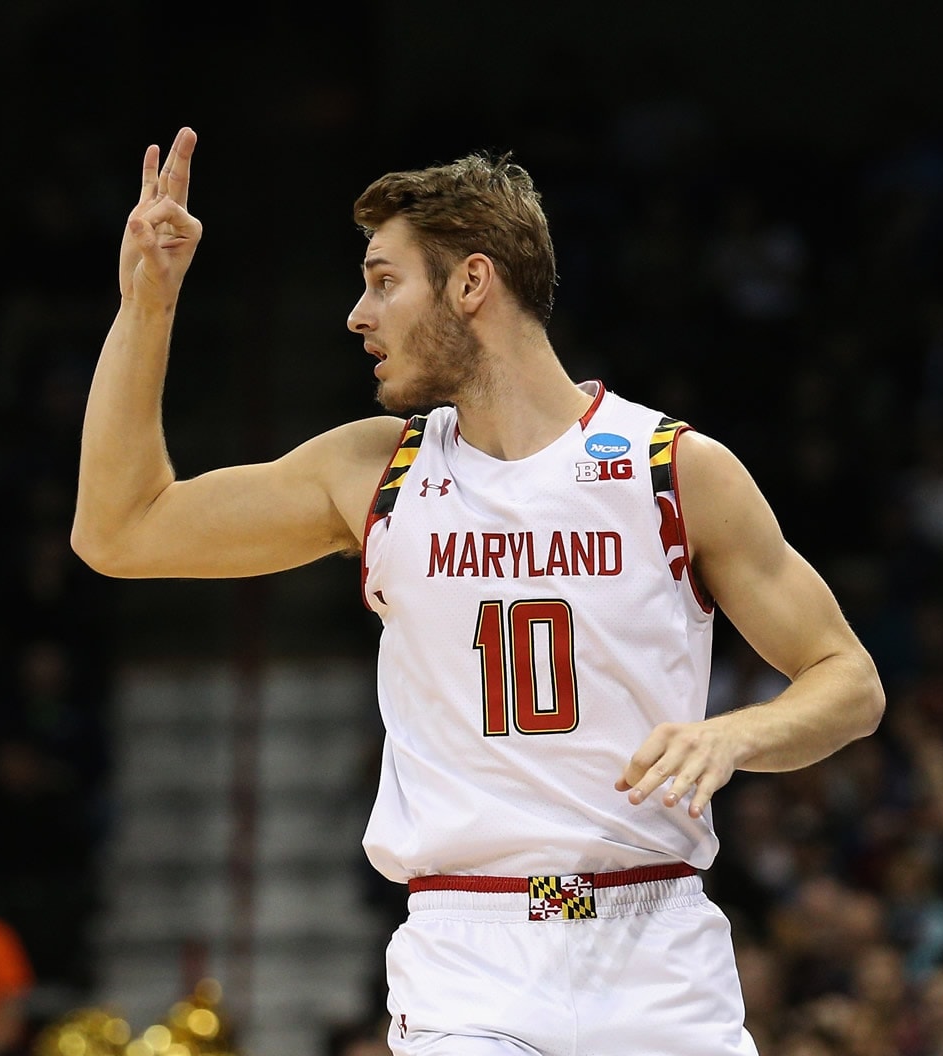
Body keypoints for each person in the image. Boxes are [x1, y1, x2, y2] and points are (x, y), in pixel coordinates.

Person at [72, 127, 886, 1055]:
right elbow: (118, 530)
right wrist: (147, 300)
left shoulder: (670, 469)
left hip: (656, 943)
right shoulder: (375, 472)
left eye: (385, 280)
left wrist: (737, 734)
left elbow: (848, 680)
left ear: (471, 284)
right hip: (467, 956)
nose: (357, 313)